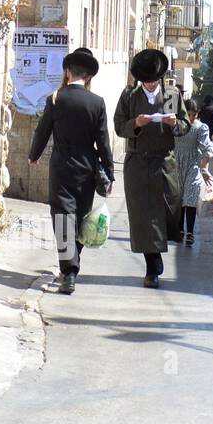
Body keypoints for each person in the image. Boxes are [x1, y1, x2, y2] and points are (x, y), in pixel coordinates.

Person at [27, 47, 114, 295]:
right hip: (87, 168)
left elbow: (42, 131)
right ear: (87, 77)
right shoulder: (97, 103)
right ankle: (72, 265)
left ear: (67, 72)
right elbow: (104, 142)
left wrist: (33, 155)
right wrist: (109, 171)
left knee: (63, 218)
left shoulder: (56, 99)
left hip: (62, 166)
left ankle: (69, 272)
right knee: (80, 219)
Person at [114, 49, 189, 288]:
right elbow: (118, 125)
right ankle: (152, 266)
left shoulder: (171, 94)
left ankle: (159, 251)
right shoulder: (130, 95)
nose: (150, 84)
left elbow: (185, 124)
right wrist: (135, 123)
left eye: (153, 80)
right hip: (137, 162)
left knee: (168, 207)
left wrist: (175, 123)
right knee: (144, 216)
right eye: (146, 81)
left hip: (164, 161)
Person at [174, 98, 213, 247]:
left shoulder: (201, 128)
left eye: (193, 115)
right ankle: (179, 229)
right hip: (176, 165)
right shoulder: (176, 126)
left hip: (193, 165)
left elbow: (206, 148)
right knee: (179, 198)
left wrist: (205, 168)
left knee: (190, 197)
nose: (190, 118)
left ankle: (190, 232)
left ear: (197, 114)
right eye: (188, 114)